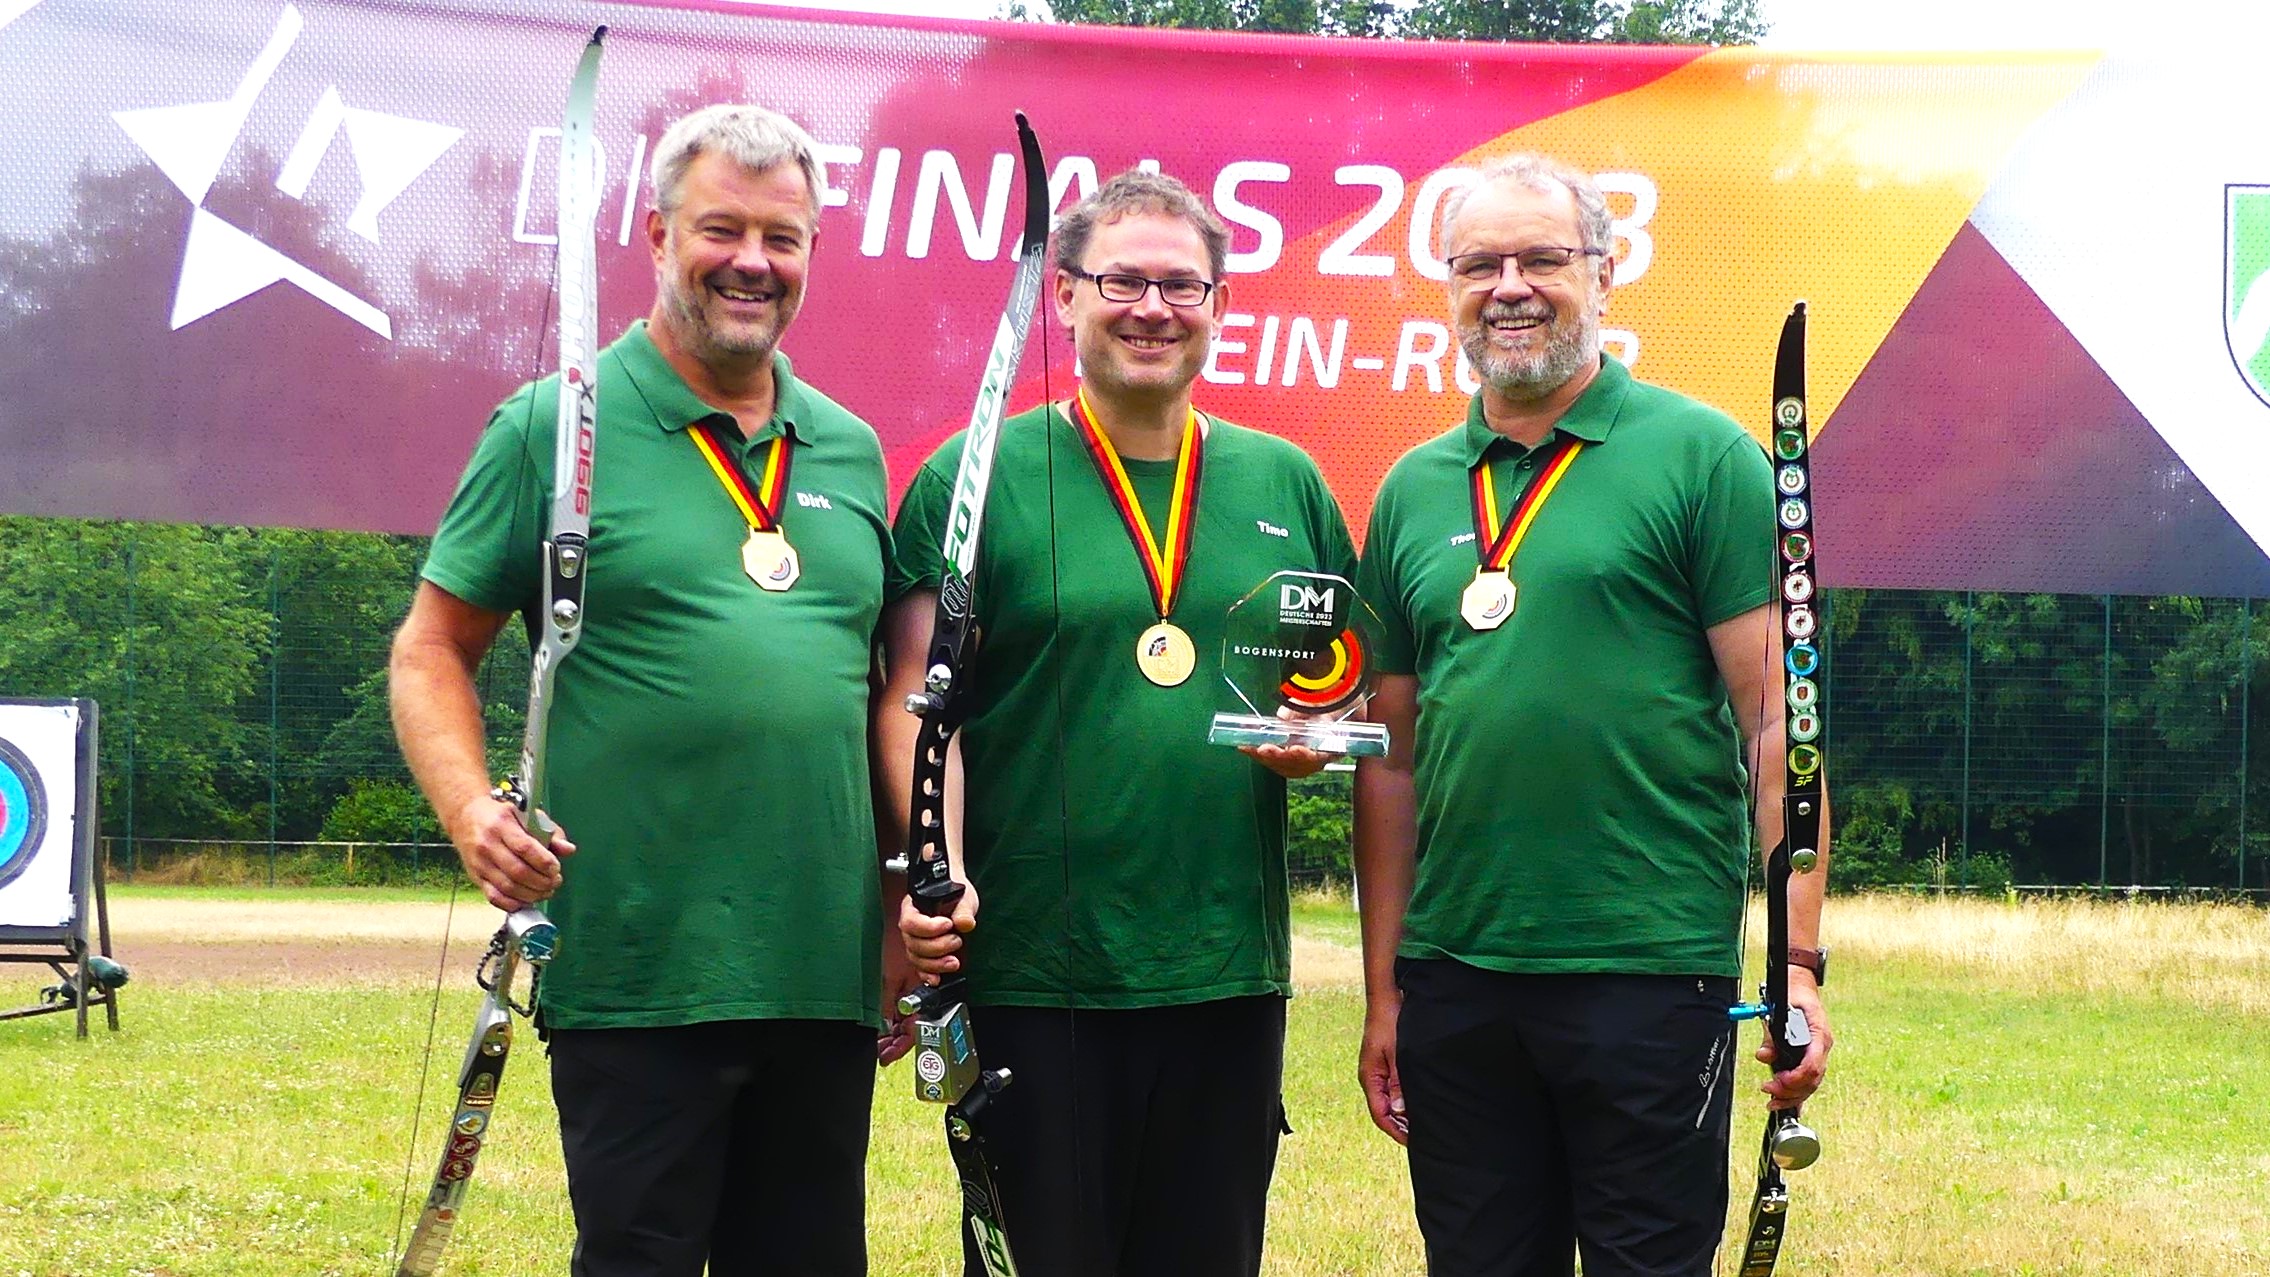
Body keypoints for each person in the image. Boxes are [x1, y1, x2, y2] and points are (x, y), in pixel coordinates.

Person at [389, 104, 909, 1276]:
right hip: (636, 960)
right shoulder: (552, 426)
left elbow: (874, 697)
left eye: (782, 237)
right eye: (720, 228)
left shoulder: (851, 447)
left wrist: (891, 896)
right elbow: (430, 649)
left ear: (812, 253)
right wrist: (475, 810)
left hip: (815, 967)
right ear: (659, 237)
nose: (751, 262)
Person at [1350, 153, 1834, 1277]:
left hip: (1647, 969)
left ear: (1601, 276)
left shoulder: (1699, 454)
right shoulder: (1415, 487)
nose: (1508, 284)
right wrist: (1386, 991)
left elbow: (1778, 729)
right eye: (1479, 263)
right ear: (1449, 287)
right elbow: (1390, 760)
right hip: (1459, 977)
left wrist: (1797, 960)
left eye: (1540, 258)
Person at [880, 169, 1358, 1277]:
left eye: (1181, 285)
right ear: (1064, 296)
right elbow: (916, 701)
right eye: (1122, 280)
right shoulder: (974, 475)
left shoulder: (1284, 479)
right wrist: (932, 875)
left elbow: (1337, 678)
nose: (1152, 307)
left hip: (1223, 971)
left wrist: (1315, 726)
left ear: (1220, 305)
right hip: (1036, 968)